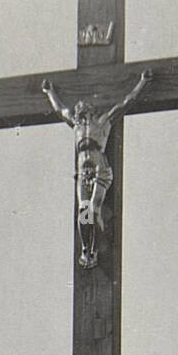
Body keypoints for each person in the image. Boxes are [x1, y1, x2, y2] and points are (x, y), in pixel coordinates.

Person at [42, 68, 153, 268]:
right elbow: (59, 109)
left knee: (93, 209)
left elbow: (126, 102)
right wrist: (49, 92)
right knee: (83, 210)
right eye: (79, 109)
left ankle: (94, 249)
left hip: (100, 169)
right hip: (82, 173)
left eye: (84, 108)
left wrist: (142, 82)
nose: (80, 110)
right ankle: (87, 249)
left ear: (91, 110)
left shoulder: (103, 122)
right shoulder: (76, 125)